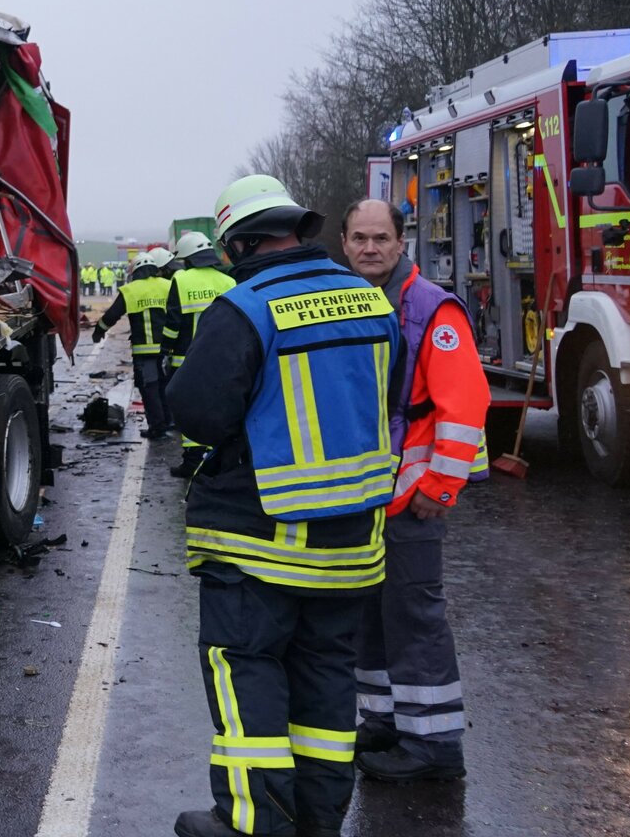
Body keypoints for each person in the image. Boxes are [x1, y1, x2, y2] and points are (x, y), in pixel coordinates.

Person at [165, 176, 400, 837]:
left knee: (247, 674)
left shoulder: (247, 306)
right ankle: (318, 819)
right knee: (327, 681)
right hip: (353, 542)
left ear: (238, 243)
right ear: (300, 229)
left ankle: (250, 823)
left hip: (259, 539)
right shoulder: (372, 301)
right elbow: (387, 393)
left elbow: (200, 414)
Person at [339, 199, 489, 783]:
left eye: (381, 238)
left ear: (402, 244)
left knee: (414, 616)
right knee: (370, 616)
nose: (370, 248)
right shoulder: (349, 302)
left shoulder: (432, 310)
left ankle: (433, 747)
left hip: (414, 499)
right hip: (368, 497)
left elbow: (465, 407)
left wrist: (440, 487)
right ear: (345, 243)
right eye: (359, 238)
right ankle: (381, 722)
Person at [163, 230, 236, 479]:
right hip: (224, 360)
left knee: (190, 410)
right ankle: (220, 460)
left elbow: (172, 322)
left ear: (188, 258)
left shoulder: (181, 279)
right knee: (221, 408)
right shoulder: (227, 281)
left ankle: (192, 461)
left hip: (187, 361)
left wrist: (166, 350)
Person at [93, 247, 175, 439]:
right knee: (166, 385)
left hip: (145, 352)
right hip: (167, 349)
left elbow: (112, 315)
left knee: (150, 389)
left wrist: (99, 331)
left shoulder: (130, 290)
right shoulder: (168, 285)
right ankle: (170, 420)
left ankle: (157, 427)